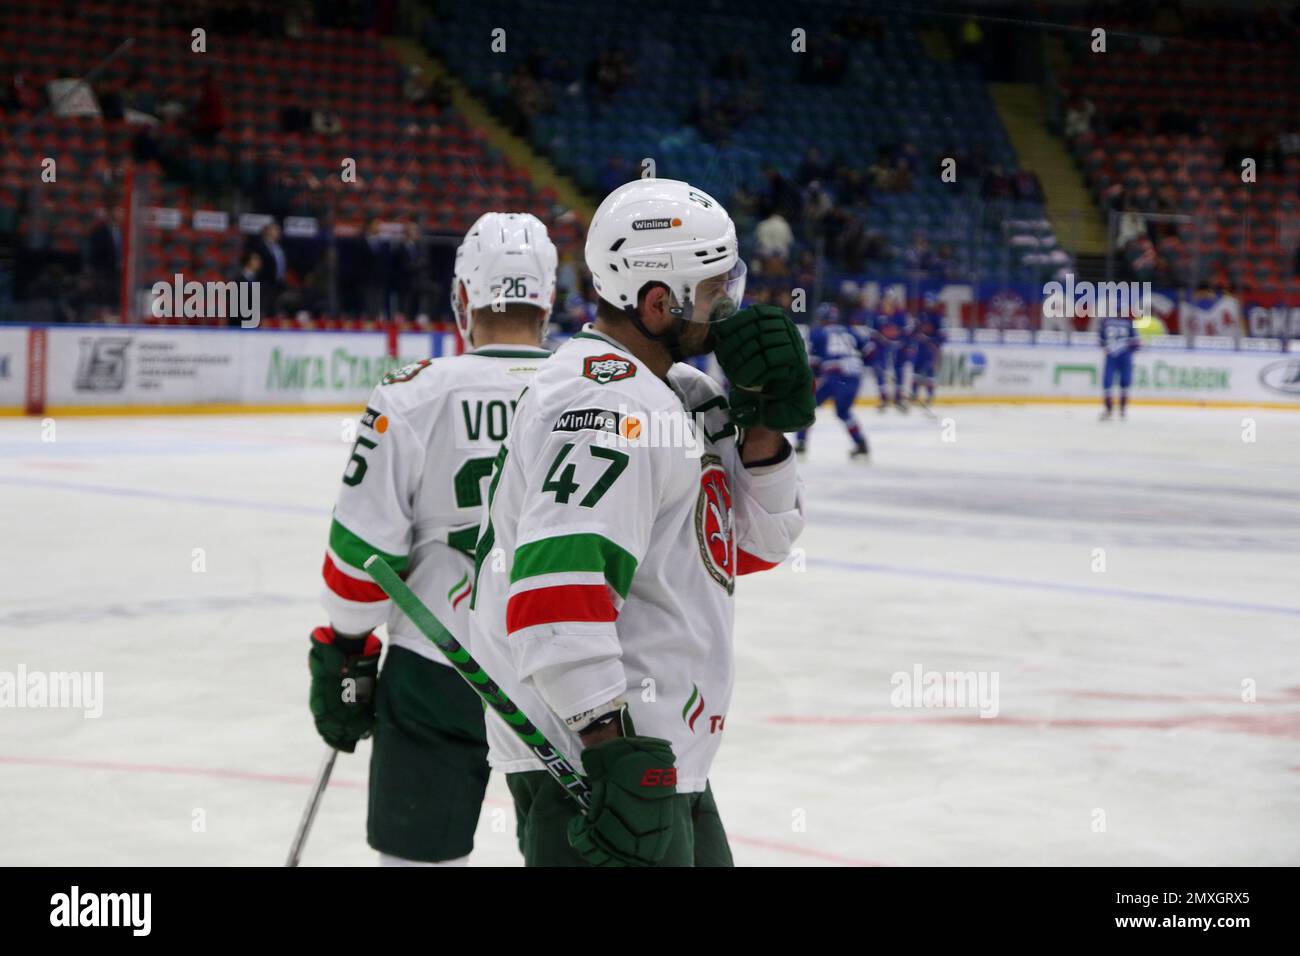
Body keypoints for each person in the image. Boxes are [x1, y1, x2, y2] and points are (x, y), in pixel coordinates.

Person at [467, 179, 809, 867]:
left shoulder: (682, 394)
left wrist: (764, 423)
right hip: (600, 771)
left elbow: (751, 548)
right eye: (715, 293)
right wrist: (611, 750)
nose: (731, 310)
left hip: (661, 761)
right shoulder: (608, 405)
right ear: (660, 303)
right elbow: (554, 597)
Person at [307, 212, 558, 865]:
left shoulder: (412, 395)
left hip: (436, 666)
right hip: (567, 669)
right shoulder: (593, 395)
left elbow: (359, 561)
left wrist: (348, 648)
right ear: (548, 299)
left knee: (418, 859)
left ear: (464, 297)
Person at [795, 303, 870, 458]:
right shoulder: (850, 330)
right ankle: (860, 442)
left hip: (834, 376)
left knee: (807, 406)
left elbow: (815, 364)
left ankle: (801, 443)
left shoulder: (818, 333)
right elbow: (870, 350)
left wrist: (809, 379)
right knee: (843, 412)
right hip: (854, 377)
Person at [870, 291, 912, 411]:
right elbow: (872, 332)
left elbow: (907, 332)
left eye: (890, 300)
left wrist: (902, 343)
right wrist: (879, 339)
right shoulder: (877, 314)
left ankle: (898, 398)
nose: (888, 302)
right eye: (886, 299)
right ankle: (884, 398)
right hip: (881, 347)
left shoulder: (901, 314)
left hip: (899, 347)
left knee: (899, 371)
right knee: (879, 370)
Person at [1099, 306, 1140, 420]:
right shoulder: (1129, 323)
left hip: (1112, 354)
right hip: (1124, 354)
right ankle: (1121, 409)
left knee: (1109, 382)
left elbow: (1101, 341)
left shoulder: (1106, 322)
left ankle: (1109, 409)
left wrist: (1109, 346)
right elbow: (1136, 343)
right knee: (1124, 382)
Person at [910, 292, 945, 407]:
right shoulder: (922, 315)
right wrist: (915, 335)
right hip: (920, 348)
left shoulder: (939, 318)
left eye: (931, 301)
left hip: (931, 350)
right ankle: (913, 395)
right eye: (927, 301)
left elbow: (942, 336)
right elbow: (915, 330)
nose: (929, 304)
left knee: (930, 374)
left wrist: (932, 340)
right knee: (916, 372)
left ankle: (930, 397)